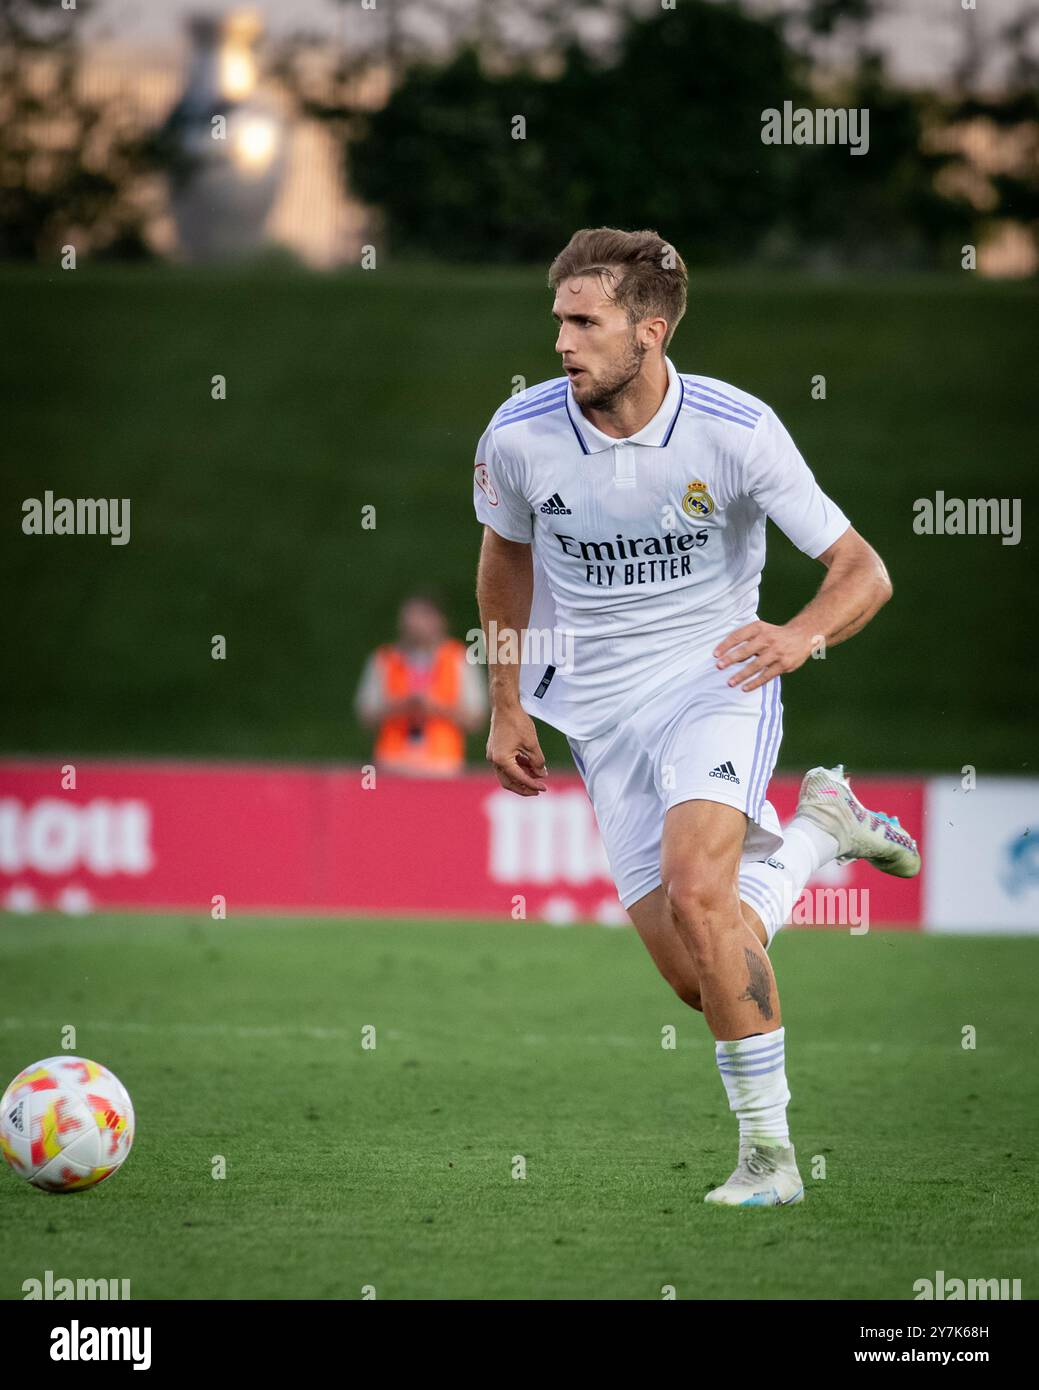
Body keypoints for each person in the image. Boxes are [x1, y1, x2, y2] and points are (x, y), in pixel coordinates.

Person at [472, 227, 920, 1207]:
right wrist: (506, 700)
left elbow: (862, 570)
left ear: (651, 329)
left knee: (697, 891)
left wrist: (800, 636)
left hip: (716, 683)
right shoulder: (518, 436)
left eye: (585, 322)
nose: (562, 341)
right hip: (596, 713)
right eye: (557, 319)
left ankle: (770, 1160)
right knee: (696, 972)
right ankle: (818, 830)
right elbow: (503, 558)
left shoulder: (735, 429)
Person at [355, 594, 487, 776]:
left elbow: (476, 718)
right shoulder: (384, 660)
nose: (415, 624)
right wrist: (401, 706)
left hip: (444, 765)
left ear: (440, 621)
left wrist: (435, 707)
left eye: (423, 616)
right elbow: (366, 714)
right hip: (392, 764)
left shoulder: (460, 660)